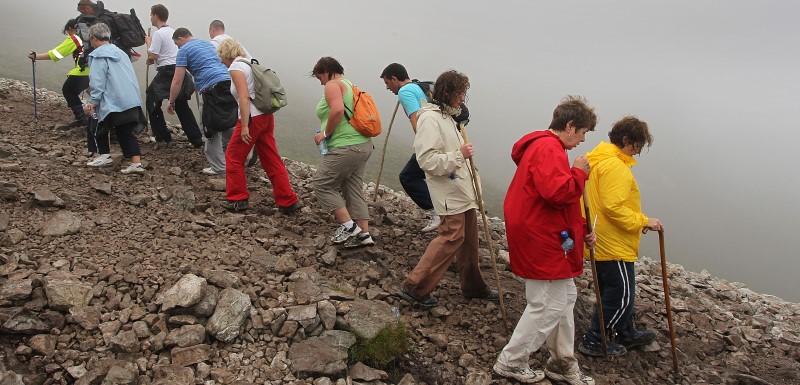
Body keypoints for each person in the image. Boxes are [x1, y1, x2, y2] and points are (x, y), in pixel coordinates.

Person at [494, 96, 598, 385]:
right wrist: (579, 173)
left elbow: (554, 203)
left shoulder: (544, 147)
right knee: (547, 304)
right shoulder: (549, 149)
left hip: (542, 231)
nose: (582, 139)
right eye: (583, 132)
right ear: (570, 126)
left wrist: (580, 228)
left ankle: (562, 362)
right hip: (541, 236)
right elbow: (558, 193)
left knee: (565, 297)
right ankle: (512, 361)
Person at [396, 70, 498, 308]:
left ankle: (473, 286)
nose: (462, 98)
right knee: (452, 236)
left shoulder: (449, 118)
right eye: (460, 93)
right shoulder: (430, 119)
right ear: (447, 92)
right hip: (450, 192)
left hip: (463, 191)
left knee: (469, 241)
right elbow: (426, 160)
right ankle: (415, 287)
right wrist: (458, 155)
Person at [577, 116, 663, 357]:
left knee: (611, 290)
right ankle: (595, 338)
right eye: (637, 145)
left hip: (599, 237)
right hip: (613, 242)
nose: (637, 151)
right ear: (626, 140)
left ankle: (625, 331)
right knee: (621, 294)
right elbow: (613, 207)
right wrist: (644, 221)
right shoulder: (615, 166)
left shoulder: (597, 160)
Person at [216, 39, 301, 213]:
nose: (221, 61)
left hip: (252, 119)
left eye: (221, 56)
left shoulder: (236, 68)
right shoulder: (249, 63)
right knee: (271, 158)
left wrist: (244, 126)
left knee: (233, 156)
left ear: (226, 53)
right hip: (266, 116)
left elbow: (244, 97)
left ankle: (237, 199)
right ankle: (288, 200)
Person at [310, 57, 374, 249]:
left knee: (322, 184)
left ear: (326, 71)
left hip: (345, 147)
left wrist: (325, 134)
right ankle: (364, 235)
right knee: (352, 187)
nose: (321, 82)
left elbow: (337, 110)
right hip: (363, 146)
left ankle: (349, 226)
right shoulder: (350, 85)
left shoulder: (332, 85)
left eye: (319, 77)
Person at [379, 63, 440, 232]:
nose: (387, 88)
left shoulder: (405, 91)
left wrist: (423, 146)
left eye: (387, 83)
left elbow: (417, 120)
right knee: (438, 175)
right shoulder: (418, 87)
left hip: (431, 141)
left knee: (408, 177)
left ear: (394, 79)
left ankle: (436, 211)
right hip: (443, 138)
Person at [167, 28, 235, 176]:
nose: (177, 47)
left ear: (180, 38)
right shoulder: (208, 44)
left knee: (210, 128)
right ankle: (240, 151)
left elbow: (177, 80)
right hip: (228, 82)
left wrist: (171, 101)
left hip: (211, 88)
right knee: (228, 121)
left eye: (177, 44)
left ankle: (219, 167)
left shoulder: (183, 50)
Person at [82, 23, 146, 174]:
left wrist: (93, 101)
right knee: (125, 130)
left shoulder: (98, 55)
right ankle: (136, 163)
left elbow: (98, 81)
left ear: (93, 38)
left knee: (96, 123)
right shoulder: (121, 53)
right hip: (130, 98)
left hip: (113, 98)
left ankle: (104, 155)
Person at [145, 4, 203, 149]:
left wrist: (148, 43)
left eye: (151, 15)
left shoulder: (158, 34)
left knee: (152, 100)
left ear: (155, 15)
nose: (150, 18)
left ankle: (162, 136)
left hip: (166, 72)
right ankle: (196, 138)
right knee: (182, 105)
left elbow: (152, 56)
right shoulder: (172, 32)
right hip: (179, 69)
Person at [28, 18, 90, 129]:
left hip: (84, 71)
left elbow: (57, 54)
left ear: (70, 28)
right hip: (99, 70)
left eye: (67, 32)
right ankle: (93, 118)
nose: (68, 34)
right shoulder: (91, 37)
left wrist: (36, 56)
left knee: (68, 90)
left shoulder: (75, 38)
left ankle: (82, 119)